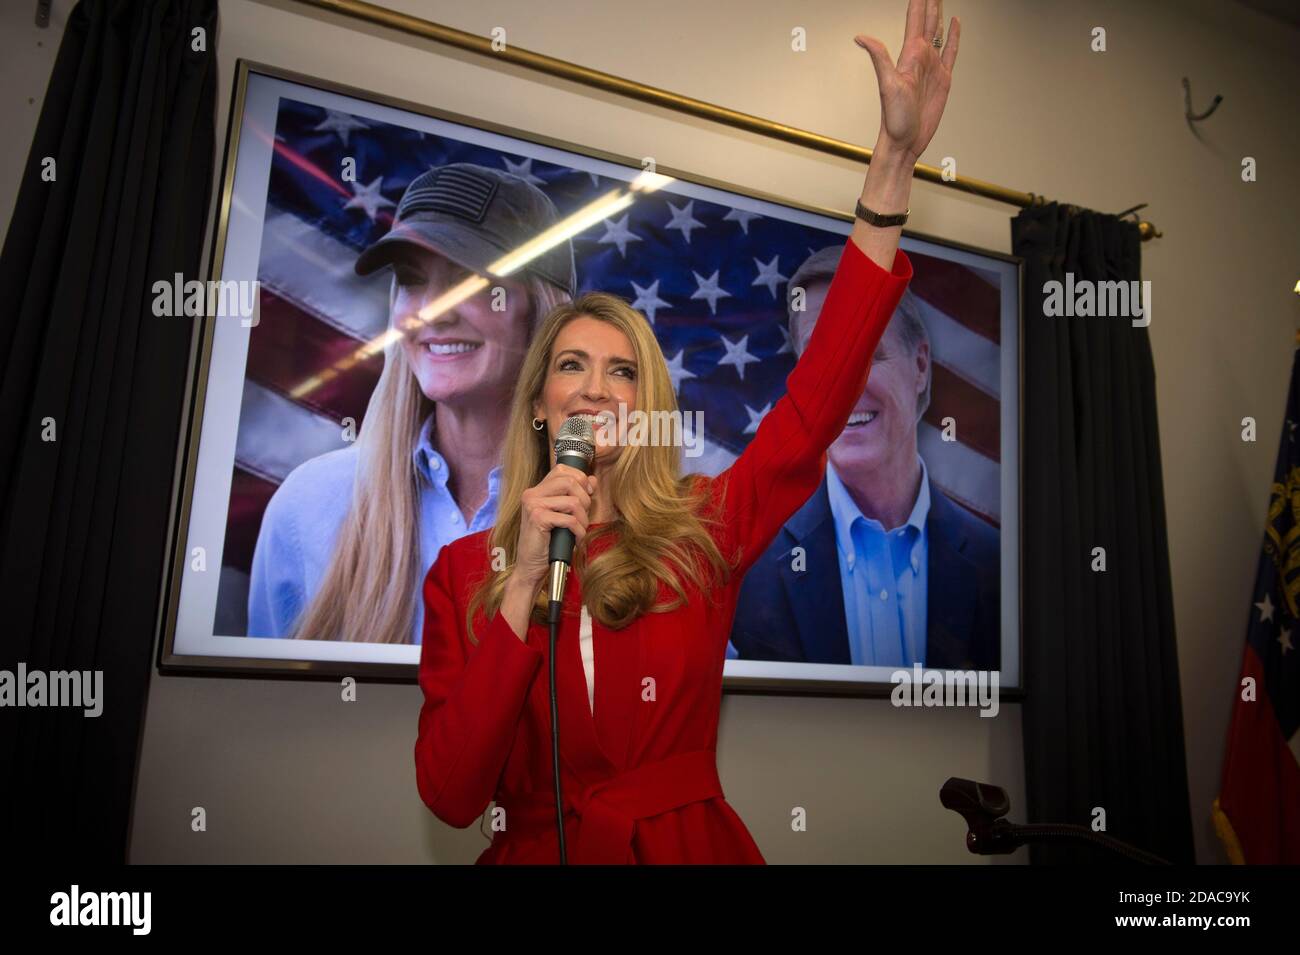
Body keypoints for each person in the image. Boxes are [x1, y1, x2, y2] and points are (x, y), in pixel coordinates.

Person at [416, 0, 960, 863]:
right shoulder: (458, 577)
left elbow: (815, 405)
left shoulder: (704, 529)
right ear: (536, 405)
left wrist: (891, 169)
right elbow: (451, 795)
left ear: (645, 409)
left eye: (624, 370)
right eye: (572, 366)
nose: (598, 388)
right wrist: (523, 578)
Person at [247, 163, 574, 644]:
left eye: (469, 279)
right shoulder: (309, 505)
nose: (431, 313)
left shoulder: (618, 521)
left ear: (539, 313)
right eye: (411, 279)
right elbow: (255, 709)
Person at [729, 248, 999, 670]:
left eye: (869, 353)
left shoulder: (998, 567)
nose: (845, 387)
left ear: (921, 365)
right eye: (820, 359)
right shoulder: (745, 573)